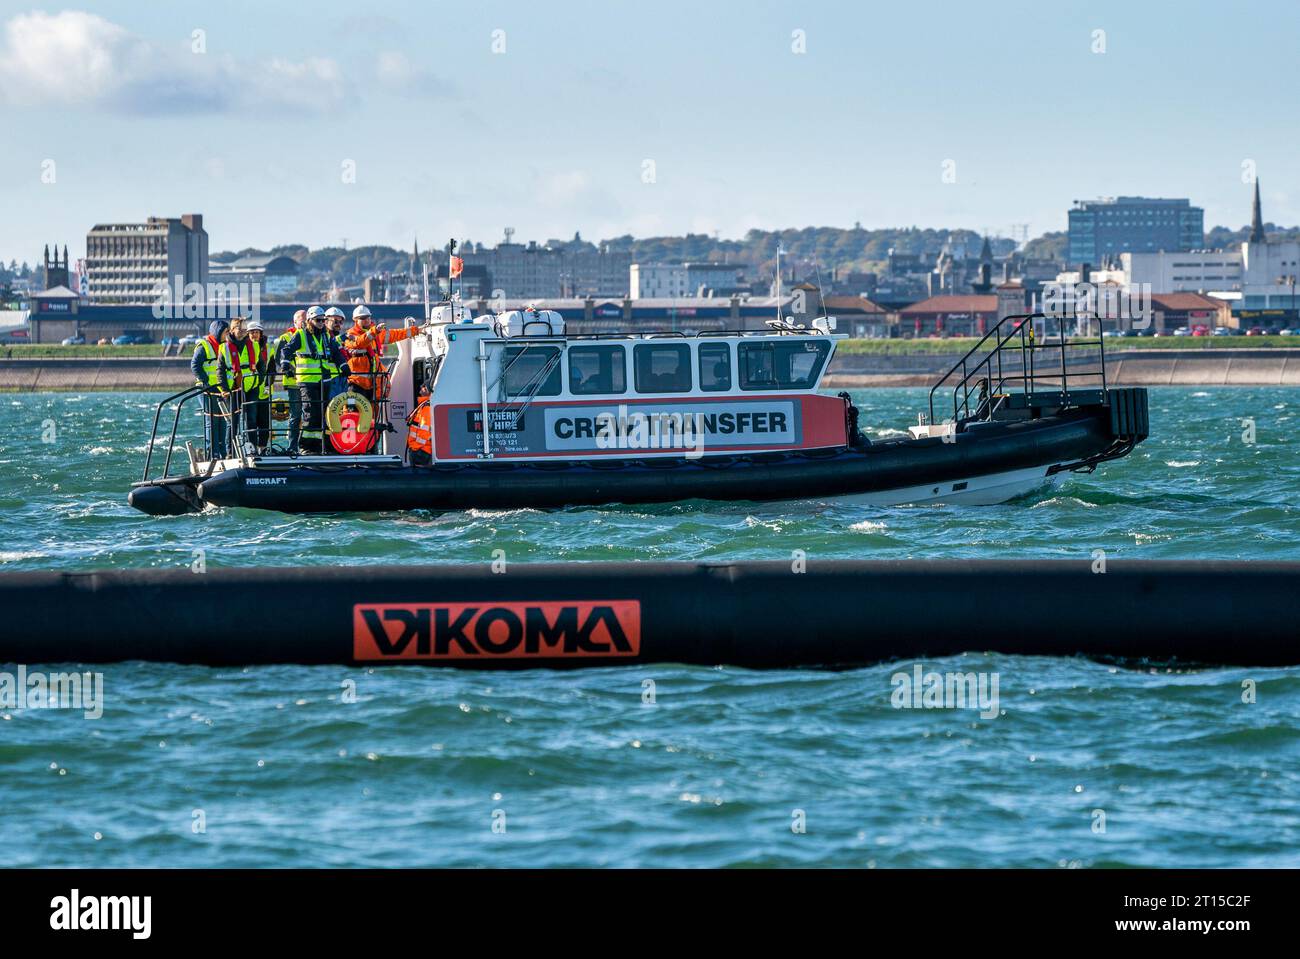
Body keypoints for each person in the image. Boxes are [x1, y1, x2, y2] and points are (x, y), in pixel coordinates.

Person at [280, 306, 343, 454]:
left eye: (323, 320)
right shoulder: (300, 335)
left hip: (324, 380)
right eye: (318, 320)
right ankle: (306, 447)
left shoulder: (326, 336)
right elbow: (286, 350)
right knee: (310, 412)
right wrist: (285, 363)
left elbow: (336, 353)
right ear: (310, 321)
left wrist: (344, 366)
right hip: (307, 380)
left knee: (325, 413)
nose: (321, 323)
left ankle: (324, 446)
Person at [344, 304, 417, 404]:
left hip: (372, 384)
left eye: (368, 317)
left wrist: (416, 330)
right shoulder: (350, 334)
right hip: (356, 383)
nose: (367, 320)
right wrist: (375, 331)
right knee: (353, 410)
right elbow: (360, 342)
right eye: (363, 318)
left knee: (373, 412)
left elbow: (395, 334)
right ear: (355, 320)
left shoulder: (375, 333)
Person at [217, 316, 258, 455]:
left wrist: (259, 382)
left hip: (250, 387)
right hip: (233, 389)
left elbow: (261, 367)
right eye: (240, 329)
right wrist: (224, 389)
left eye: (245, 329)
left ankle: (253, 449)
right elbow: (220, 371)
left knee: (251, 419)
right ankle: (231, 452)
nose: (243, 332)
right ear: (233, 330)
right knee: (233, 421)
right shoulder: (224, 348)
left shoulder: (253, 345)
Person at [190, 319, 230, 459]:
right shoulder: (204, 346)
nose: (228, 335)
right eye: (226, 332)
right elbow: (195, 365)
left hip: (220, 390)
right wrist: (206, 382)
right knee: (211, 421)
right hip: (206, 389)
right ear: (218, 332)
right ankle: (212, 453)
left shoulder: (223, 346)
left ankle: (223, 452)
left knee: (222, 421)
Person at [276, 309, 307, 452]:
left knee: (309, 414)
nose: (305, 322)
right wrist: (292, 370)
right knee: (295, 415)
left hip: (309, 381)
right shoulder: (286, 337)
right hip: (294, 382)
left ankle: (307, 445)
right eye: (302, 319)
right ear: (295, 322)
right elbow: (279, 358)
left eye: (307, 319)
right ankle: (292, 447)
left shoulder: (311, 336)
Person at [244, 318, 273, 453]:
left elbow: (272, 369)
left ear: (261, 334)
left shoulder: (269, 349)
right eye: (251, 332)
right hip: (250, 389)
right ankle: (252, 447)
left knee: (264, 421)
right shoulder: (245, 349)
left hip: (265, 390)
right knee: (251, 420)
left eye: (256, 332)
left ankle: (263, 447)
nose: (254, 335)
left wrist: (268, 383)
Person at [323, 307, 349, 401]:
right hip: (330, 378)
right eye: (335, 321)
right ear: (325, 321)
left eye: (340, 322)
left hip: (341, 377)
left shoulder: (338, 338)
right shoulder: (323, 336)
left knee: (341, 408)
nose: (338, 324)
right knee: (330, 408)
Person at [406, 385, 432, 466]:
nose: (421, 387)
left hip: (421, 452)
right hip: (420, 451)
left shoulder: (427, 407)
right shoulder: (423, 404)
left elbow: (425, 431)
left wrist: (416, 449)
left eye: (425, 386)